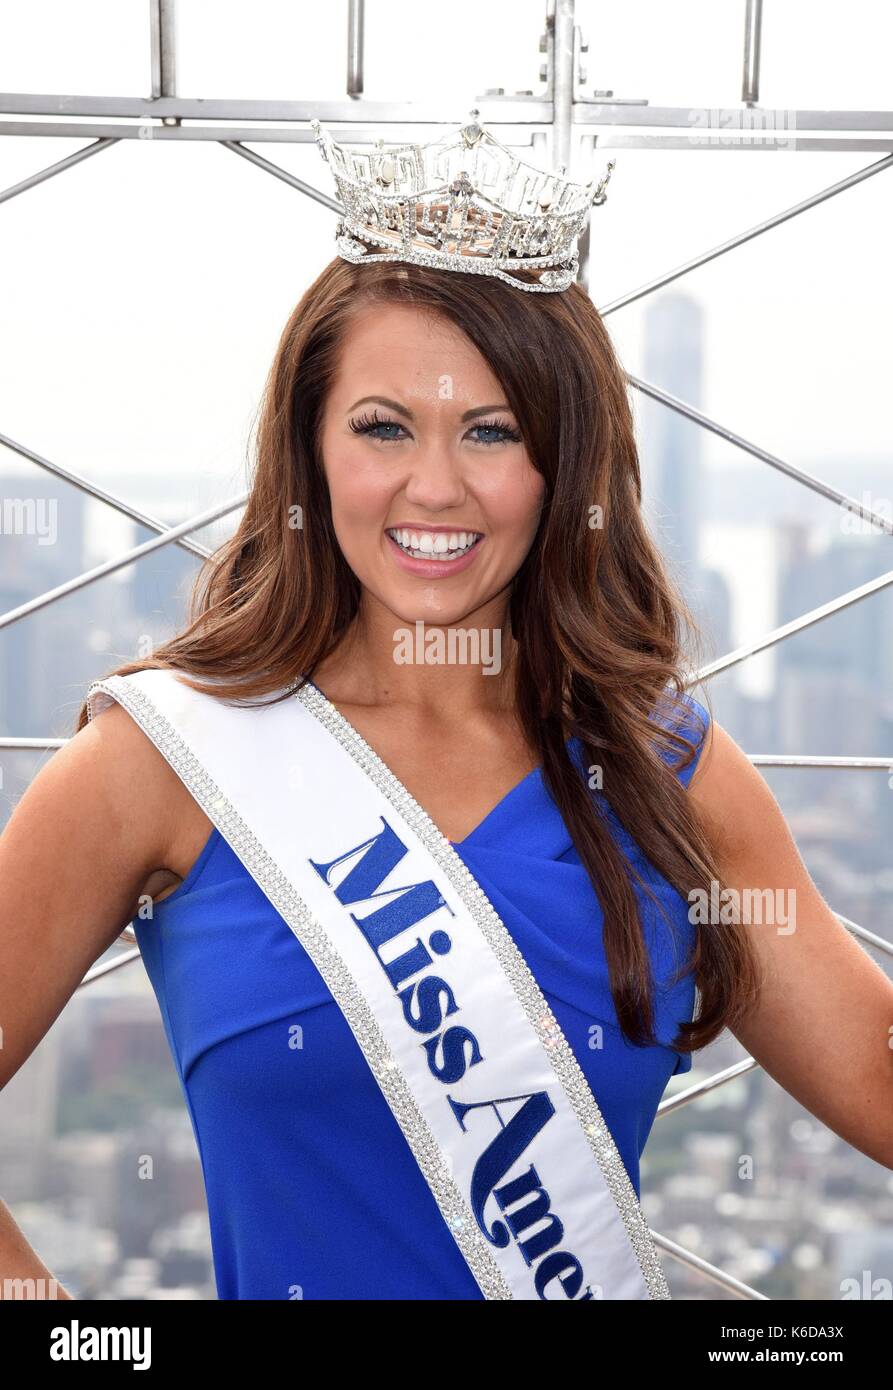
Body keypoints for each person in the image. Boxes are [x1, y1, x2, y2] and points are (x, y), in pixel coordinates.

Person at [1, 121, 891, 1303]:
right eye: (382, 427)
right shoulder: (162, 758)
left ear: (561, 463)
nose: (434, 485)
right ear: (309, 448)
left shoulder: (661, 769)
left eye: (492, 430)